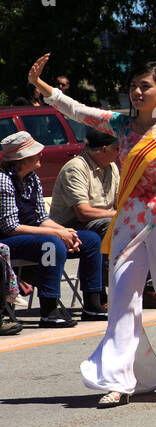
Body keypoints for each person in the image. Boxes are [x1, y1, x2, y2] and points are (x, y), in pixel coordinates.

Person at [31, 56, 156, 405]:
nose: (136, 91)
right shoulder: (121, 126)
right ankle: (119, 380)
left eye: (145, 86)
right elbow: (80, 111)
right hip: (129, 220)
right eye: (134, 85)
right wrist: (45, 89)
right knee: (122, 297)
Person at [0, 130, 107, 327]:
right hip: (8, 242)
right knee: (51, 244)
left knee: (91, 240)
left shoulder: (32, 179)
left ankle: (93, 303)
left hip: (32, 235)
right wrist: (57, 234)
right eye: (34, 153)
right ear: (20, 159)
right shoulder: (4, 180)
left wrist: (67, 232)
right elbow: (10, 227)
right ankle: (49, 310)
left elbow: (41, 218)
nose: (40, 154)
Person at [49, 127, 119, 309]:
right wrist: (118, 215)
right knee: (109, 225)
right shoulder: (76, 168)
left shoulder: (111, 167)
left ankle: (145, 286)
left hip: (102, 222)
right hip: (70, 226)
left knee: (142, 223)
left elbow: (120, 204)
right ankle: (99, 291)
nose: (120, 151)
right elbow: (83, 212)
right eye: (117, 148)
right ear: (104, 149)